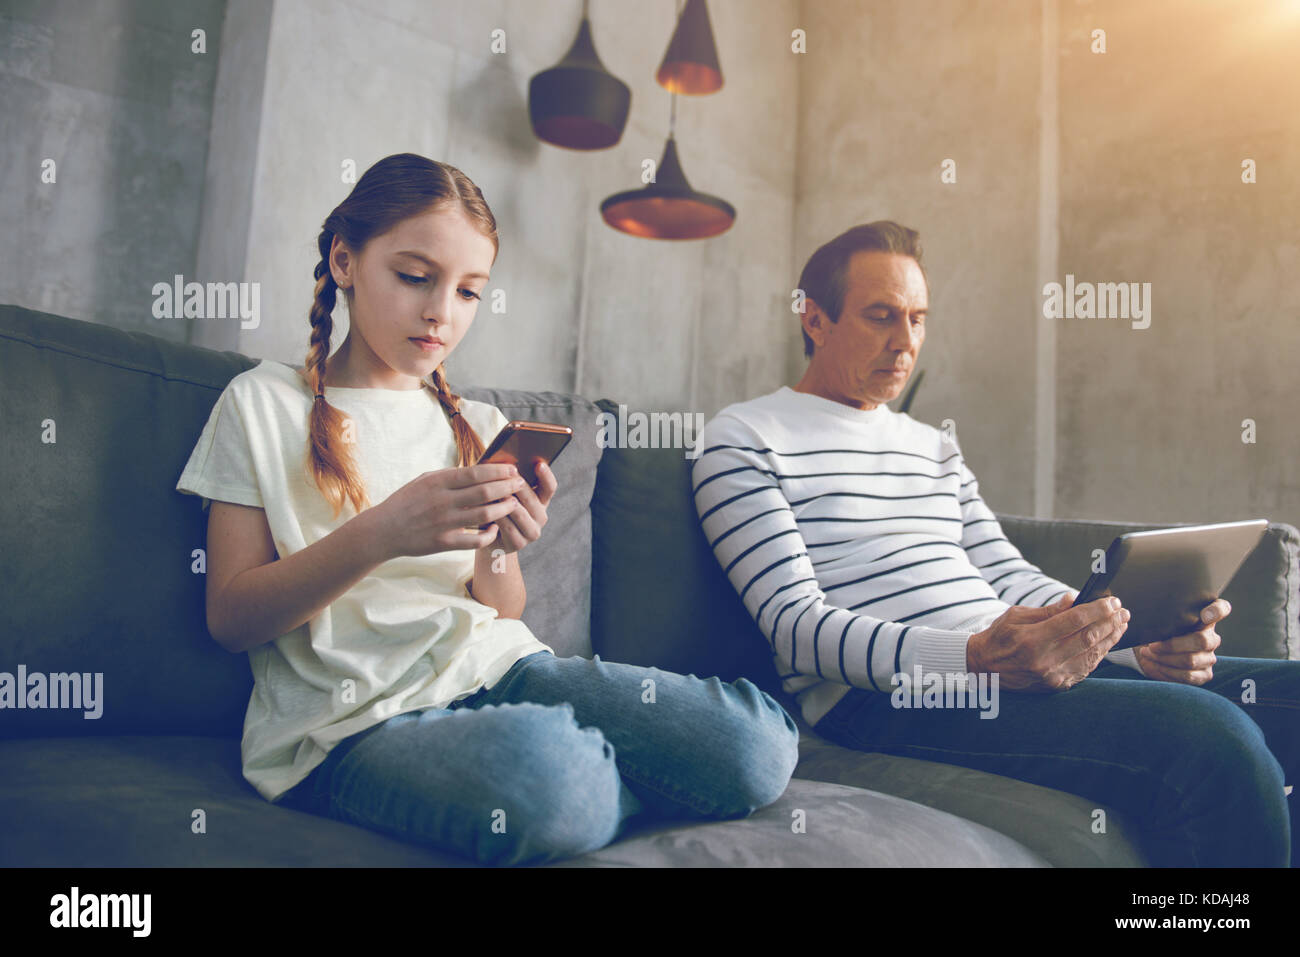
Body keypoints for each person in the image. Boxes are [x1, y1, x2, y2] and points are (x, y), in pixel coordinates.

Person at [175, 153, 798, 866]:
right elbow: (230, 616)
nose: (442, 311)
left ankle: (587, 777)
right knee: (553, 778)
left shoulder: (475, 420)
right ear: (345, 261)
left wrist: (499, 546)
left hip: (504, 670)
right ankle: (589, 778)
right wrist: (382, 533)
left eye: (470, 291)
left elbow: (502, 610)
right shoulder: (261, 403)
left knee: (757, 743)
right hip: (356, 722)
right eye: (416, 277)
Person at [692, 220, 1299, 867]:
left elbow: (1007, 574)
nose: (906, 343)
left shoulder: (931, 444)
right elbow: (795, 627)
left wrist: (1119, 639)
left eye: (919, 319)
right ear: (814, 318)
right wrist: (976, 658)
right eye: (881, 316)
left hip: (1008, 659)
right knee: (1215, 736)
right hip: (889, 693)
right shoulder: (743, 437)